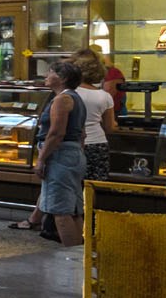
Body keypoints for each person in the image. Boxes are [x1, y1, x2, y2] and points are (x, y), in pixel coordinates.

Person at [34, 61, 88, 246]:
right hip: (72, 154)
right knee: (73, 208)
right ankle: (81, 254)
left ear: (63, 78)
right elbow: (82, 134)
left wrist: (41, 159)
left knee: (60, 211)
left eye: (50, 72)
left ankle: (72, 259)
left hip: (60, 155)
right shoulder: (76, 98)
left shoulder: (61, 100)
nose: (46, 76)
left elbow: (56, 133)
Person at [71, 48, 119, 181]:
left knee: (74, 184)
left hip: (74, 145)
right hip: (98, 144)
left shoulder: (68, 94)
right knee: (95, 185)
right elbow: (110, 127)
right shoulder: (104, 96)